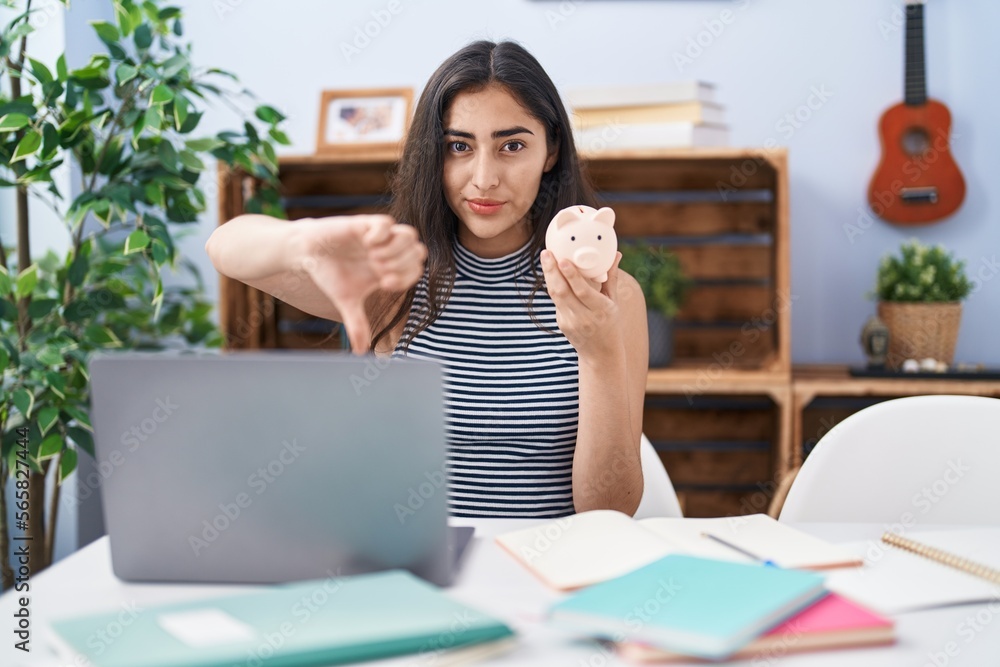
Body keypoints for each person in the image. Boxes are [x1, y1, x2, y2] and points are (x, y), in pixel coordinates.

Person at [205, 40, 648, 518]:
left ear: (551, 150)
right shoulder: (395, 278)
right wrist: (302, 244)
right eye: (459, 146)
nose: (483, 178)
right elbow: (226, 246)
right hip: (418, 570)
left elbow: (609, 511)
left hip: (551, 571)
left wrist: (599, 353)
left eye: (512, 146)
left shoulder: (612, 295)